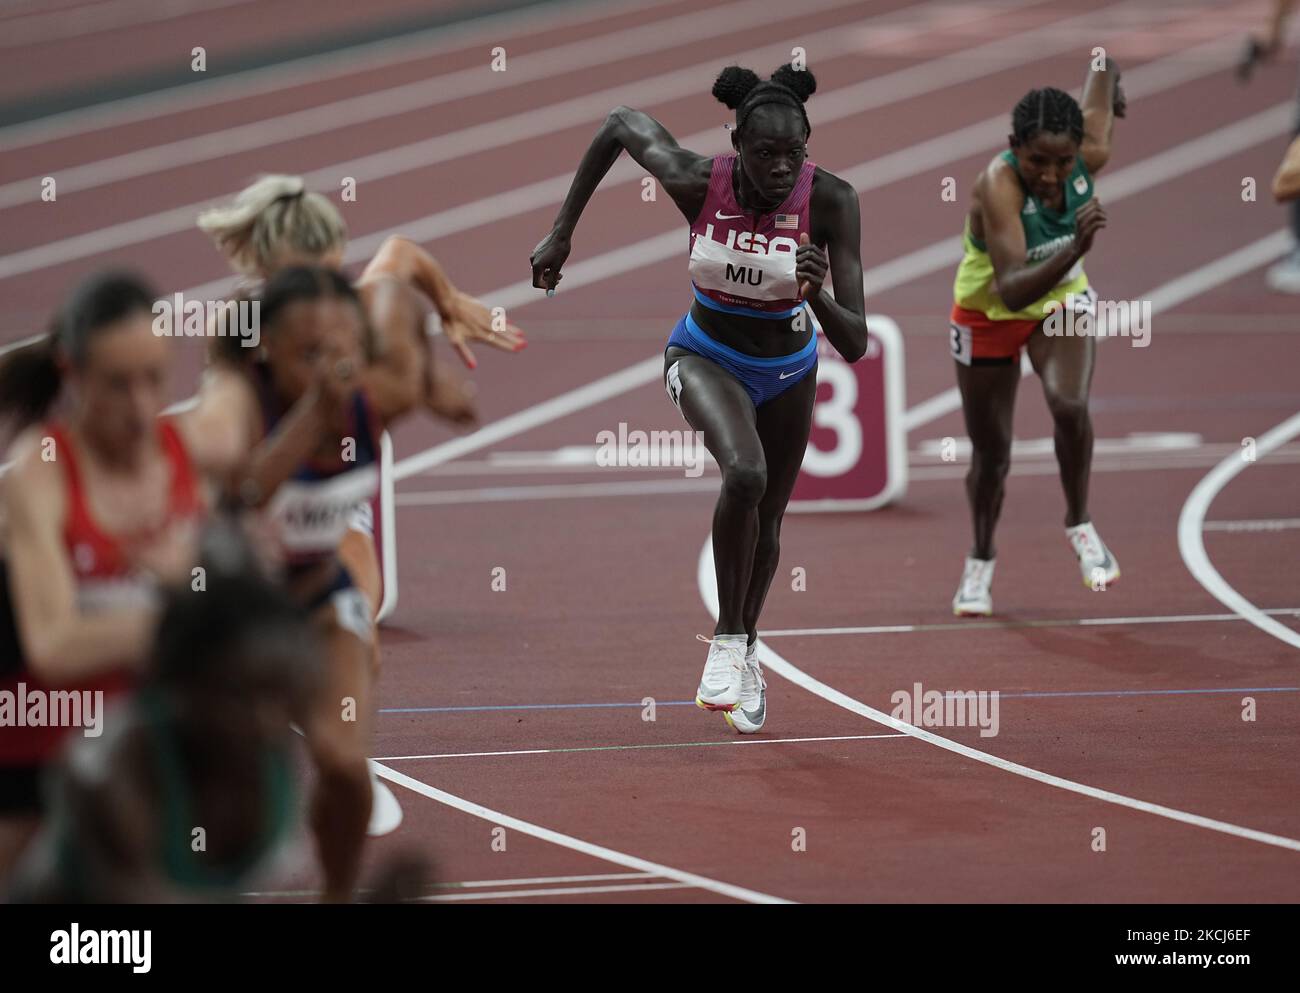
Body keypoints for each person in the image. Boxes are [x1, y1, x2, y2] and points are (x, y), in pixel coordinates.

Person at [530, 64, 867, 733]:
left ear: (808, 148)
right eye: (764, 153)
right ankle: (724, 637)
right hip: (705, 356)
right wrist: (563, 229)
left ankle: (745, 649)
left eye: (792, 155)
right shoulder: (696, 181)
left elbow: (854, 342)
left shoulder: (831, 200)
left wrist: (818, 293)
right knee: (744, 471)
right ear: (736, 142)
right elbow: (621, 120)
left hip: (791, 368)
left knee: (769, 521)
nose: (778, 169)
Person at [0, 271, 255, 876]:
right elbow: (55, 645)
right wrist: (184, 608)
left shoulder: (191, 445)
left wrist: (247, 333)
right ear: (72, 374)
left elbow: (236, 406)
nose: (142, 409)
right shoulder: (36, 474)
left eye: (154, 379)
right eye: (117, 385)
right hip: (36, 736)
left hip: (145, 738)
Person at [6, 517, 319, 903]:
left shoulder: (271, 765)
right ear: (186, 689)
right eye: (242, 698)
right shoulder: (113, 772)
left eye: (281, 697)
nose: (266, 719)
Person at [948, 58, 1125, 616]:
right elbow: (1013, 289)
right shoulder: (995, 186)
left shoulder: (1086, 157)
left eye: (1062, 162)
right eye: (1037, 162)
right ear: (1013, 148)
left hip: (1061, 305)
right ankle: (979, 561)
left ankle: (1080, 523)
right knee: (992, 454)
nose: (1051, 175)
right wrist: (1075, 245)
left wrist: (1111, 76)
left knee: (1069, 403)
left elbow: (1099, 73)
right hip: (989, 312)